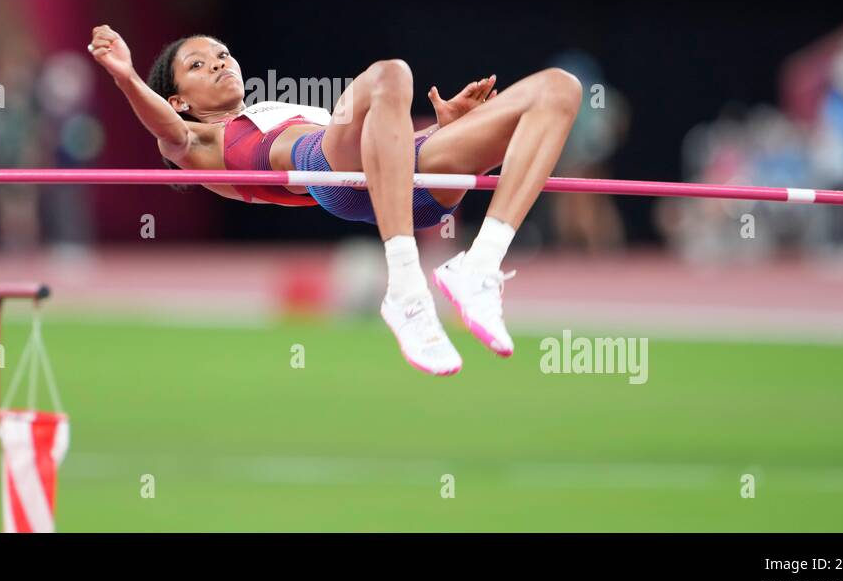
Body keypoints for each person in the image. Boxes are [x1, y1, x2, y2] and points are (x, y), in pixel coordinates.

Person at [89, 25, 581, 377]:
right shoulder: (199, 142)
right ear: (179, 100)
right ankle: (406, 288)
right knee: (391, 75)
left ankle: (480, 265)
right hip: (330, 173)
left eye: (221, 54)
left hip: (405, 177)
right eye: (198, 65)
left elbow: (382, 152)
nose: (219, 62)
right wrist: (126, 77)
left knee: (559, 89)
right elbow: (165, 131)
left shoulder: (270, 108)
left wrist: (444, 130)